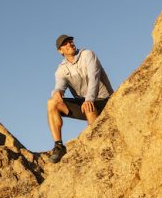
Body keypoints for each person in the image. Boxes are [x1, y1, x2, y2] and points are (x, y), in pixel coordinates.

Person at [44, 34, 113, 162]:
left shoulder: (87, 54)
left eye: (70, 41)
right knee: (51, 103)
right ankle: (59, 146)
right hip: (84, 103)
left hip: (104, 100)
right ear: (60, 50)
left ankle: (95, 145)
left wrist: (89, 99)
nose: (69, 44)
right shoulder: (61, 69)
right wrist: (57, 92)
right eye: (65, 44)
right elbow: (59, 85)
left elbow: (94, 78)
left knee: (88, 106)